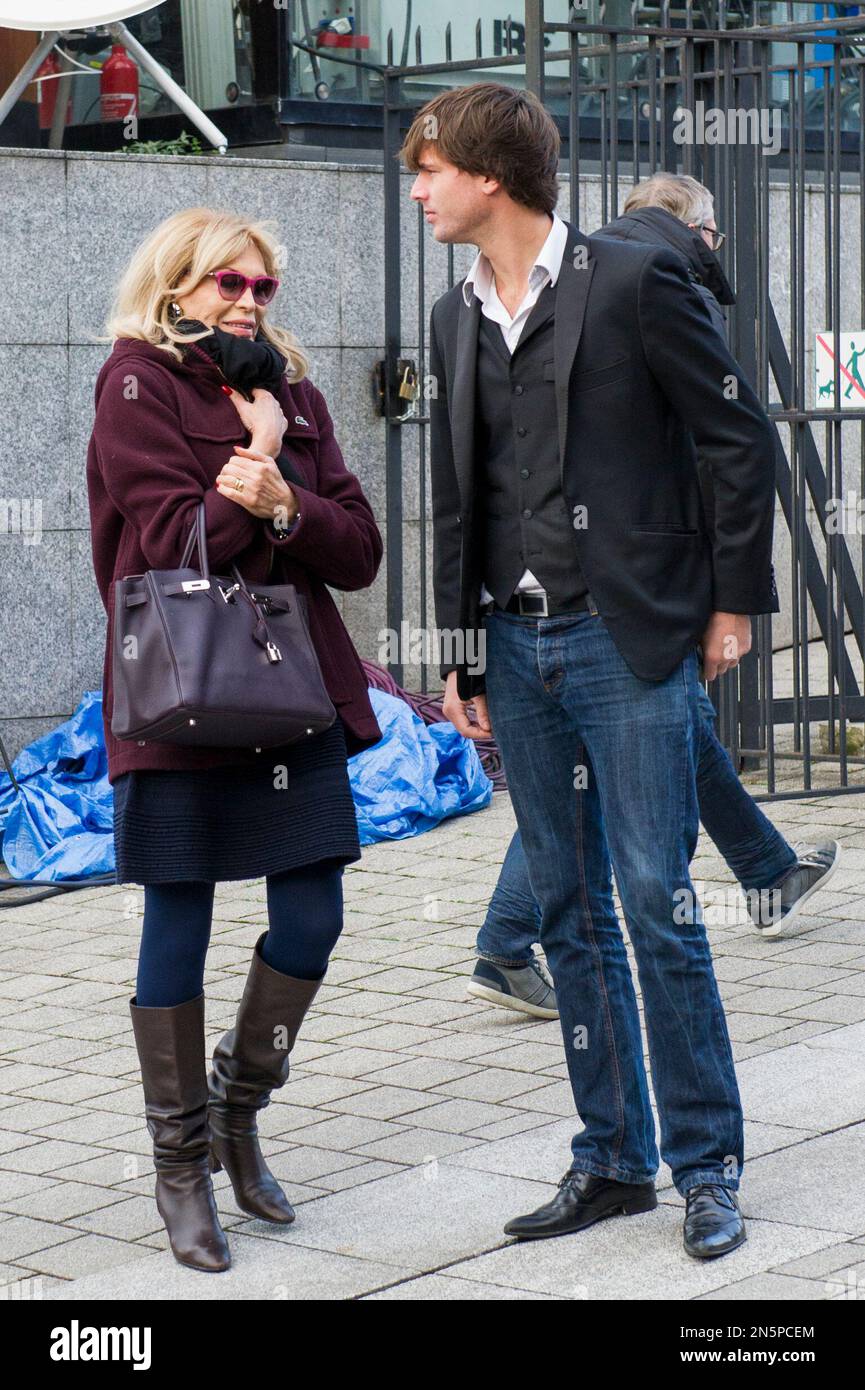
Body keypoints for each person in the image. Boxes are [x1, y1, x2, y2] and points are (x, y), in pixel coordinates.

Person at [405, 82, 778, 1261]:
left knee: (658, 904)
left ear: (489, 177)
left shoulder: (629, 278)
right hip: (513, 646)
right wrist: (459, 647)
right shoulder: (452, 316)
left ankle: (705, 1163)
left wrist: (731, 602)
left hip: (626, 641)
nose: (416, 191)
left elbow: (734, 440)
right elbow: (457, 495)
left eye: (428, 171)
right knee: (566, 912)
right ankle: (609, 1157)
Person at [466, 172, 839, 1021]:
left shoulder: (591, 272)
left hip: (596, 590)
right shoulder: (656, 281)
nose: (715, 251)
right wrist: (722, 597)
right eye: (714, 237)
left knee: (658, 746)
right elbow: (720, 448)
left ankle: (766, 872)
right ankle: (506, 936)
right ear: (695, 228)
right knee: (600, 778)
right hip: (629, 591)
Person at [86, 207, 383, 1273]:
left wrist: (288, 496)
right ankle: (180, 1167)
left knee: (312, 916)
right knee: (178, 915)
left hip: (286, 691)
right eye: (229, 285)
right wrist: (252, 467)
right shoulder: (135, 384)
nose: (249, 303)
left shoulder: (294, 392)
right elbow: (170, 545)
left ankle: (237, 1108)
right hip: (182, 693)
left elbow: (358, 551)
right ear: (178, 288)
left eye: (262, 288)